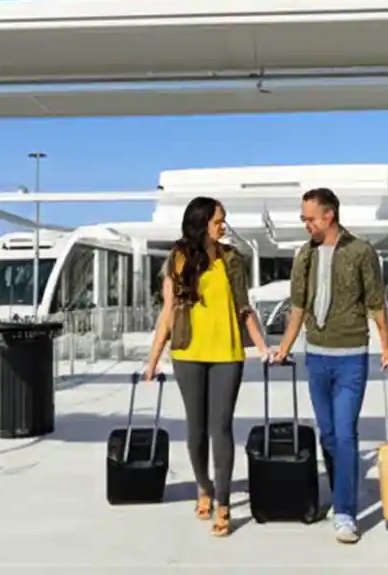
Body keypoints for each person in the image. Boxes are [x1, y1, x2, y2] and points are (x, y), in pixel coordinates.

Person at [272, 187, 388, 544]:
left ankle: (345, 512)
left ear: (329, 216)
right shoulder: (304, 256)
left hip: (351, 357)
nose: (305, 224)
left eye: (310, 218)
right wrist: (283, 349)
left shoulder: (361, 252)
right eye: (303, 218)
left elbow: (375, 301)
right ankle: (343, 490)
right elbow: (298, 307)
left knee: (345, 433)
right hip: (318, 358)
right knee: (326, 434)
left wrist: (385, 345)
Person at [144, 196, 269, 538]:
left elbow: (244, 308)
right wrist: (153, 359)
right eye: (218, 220)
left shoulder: (232, 259)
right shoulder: (178, 258)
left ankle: (225, 504)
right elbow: (167, 311)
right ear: (201, 223)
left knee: (221, 428)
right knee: (196, 430)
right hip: (187, 353)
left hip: (227, 353)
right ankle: (204, 488)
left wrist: (262, 346)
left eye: (224, 220)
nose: (223, 226)